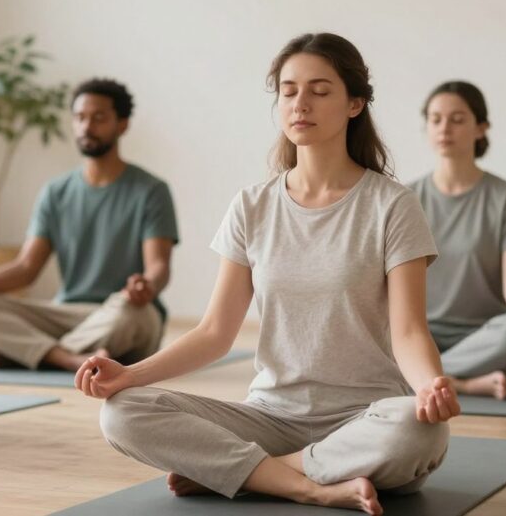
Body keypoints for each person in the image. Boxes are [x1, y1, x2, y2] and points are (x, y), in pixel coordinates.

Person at [75, 34, 459, 515]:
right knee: (122, 413)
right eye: (289, 90)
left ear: (355, 103)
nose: (301, 103)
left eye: (320, 91)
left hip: (365, 418)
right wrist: (128, 375)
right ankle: (305, 484)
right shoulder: (251, 206)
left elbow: (408, 331)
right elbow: (215, 333)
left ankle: (252, 470)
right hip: (270, 415)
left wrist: (428, 386)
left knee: (418, 429)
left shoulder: (392, 205)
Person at [0, 78, 179, 371]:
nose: (87, 126)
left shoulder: (151, 190)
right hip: (65, 313)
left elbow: (159, 266)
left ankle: (29, 352)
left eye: (99, 118)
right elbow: (26, 269)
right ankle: (71, 358)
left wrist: (146, 286)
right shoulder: (56, 191)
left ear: (122, 124)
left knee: (135, 314)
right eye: (79, 118)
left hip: (123, 310)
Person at [410, 80, 506, 400]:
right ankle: (459, 383)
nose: (445, 128)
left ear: (481, 128)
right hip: (419, 333)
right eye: (436, 119)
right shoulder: (406, 198)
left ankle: (425, 379)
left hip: (483, 339)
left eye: (457, 119)